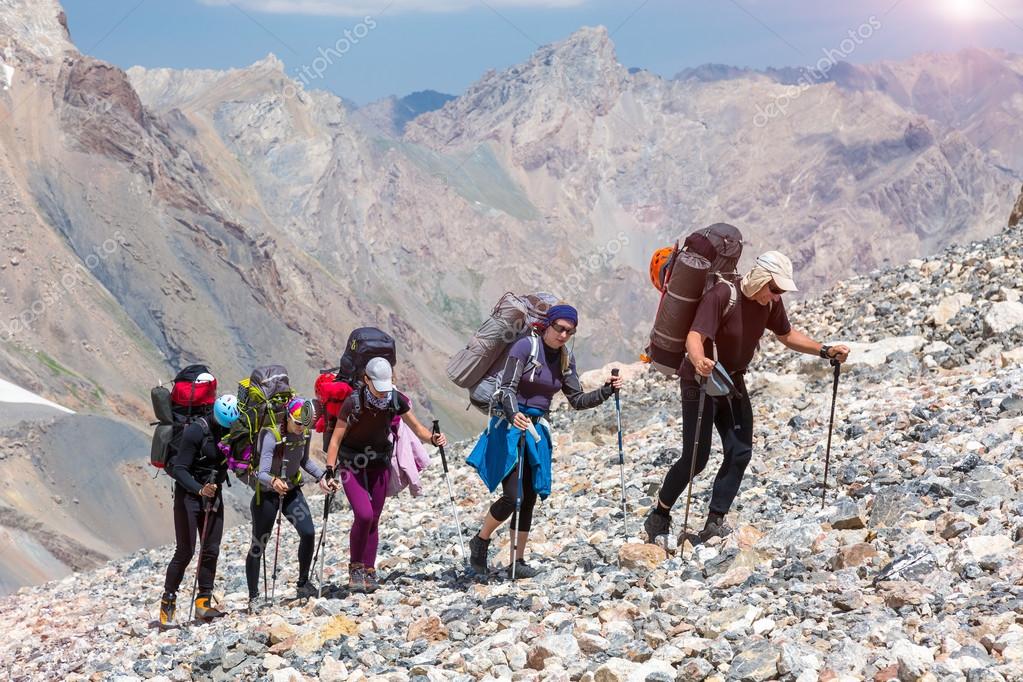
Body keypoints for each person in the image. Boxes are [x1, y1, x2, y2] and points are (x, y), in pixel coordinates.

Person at [643, 251, 851, 544]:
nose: (777, 296)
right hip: (700, 381)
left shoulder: (770, 303)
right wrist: (700, 360)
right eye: (774, 288)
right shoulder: (722, 295)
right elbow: (694, 336)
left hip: (732, 380)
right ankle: (659, 515)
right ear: (760, 280)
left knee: (740, 451)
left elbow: (787, 335)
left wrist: (824, 350)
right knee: (696, 457)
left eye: (780, 291)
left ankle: (715, 521)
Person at [466, 303, 624, 580]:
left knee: (527, 499)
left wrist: (606, 391)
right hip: (510, 429)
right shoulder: (525, 348)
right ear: (547, 325)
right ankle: (481, 540)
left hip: (537, 432)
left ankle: (518, 560)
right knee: (513, 495)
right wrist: (514, 414)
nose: (563, 335)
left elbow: (576, 400)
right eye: (559, 328)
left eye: (569, 331)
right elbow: (507, 389)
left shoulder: (565, 359)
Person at [324, 357, 447, 593]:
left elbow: (418, 428)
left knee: (375, 518)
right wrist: (330, 471)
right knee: (364, 514)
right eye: (377, 388)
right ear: (366, 380)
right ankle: (355, 568)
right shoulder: (353, 402)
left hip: (380, 462)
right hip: (351, 464)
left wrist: (433, 439)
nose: (382, 394)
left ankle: (369, 571)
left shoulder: (394, 398)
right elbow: (336, 439)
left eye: (385, 387)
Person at [245, 397, 334, 610]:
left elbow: (304, 461)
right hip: (266, 495)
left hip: (291, 492)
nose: (301, 428)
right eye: (297, 423)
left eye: (305, 425)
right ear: (288, 416)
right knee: (258, 545)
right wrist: (274, 481)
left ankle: (303, 583)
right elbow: (261, 473)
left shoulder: (303, 432)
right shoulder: (271, 435)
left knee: (308, 532)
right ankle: (253, 597)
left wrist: (324, 476)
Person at [160, 393, 240, 625]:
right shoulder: (196, 431)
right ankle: (169, 601)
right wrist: (198, 489)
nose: (226, 428)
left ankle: (203, 602)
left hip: (213, 494)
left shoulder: (230, 429)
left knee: (211, 549)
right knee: (185, 550)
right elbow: (180, 469)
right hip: (189, 496)